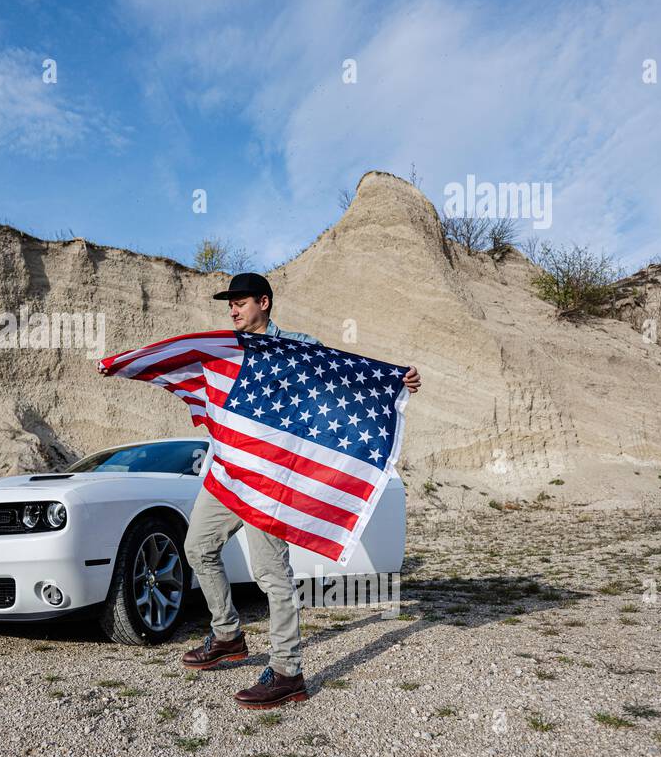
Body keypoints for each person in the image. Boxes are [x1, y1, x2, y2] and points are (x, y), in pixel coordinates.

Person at [101, 271, 421, 708]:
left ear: (264, 303)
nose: (232, 309)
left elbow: (340, 382)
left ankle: (288, 671)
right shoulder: (225, 350)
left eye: (241, 302)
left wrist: (393, 383)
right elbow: (188, 368)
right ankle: (228, 634)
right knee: (197, 548)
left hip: (269, 480)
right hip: (227, 473)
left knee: (272, 574)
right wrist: (133, 365)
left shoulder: (296, 345)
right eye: (229, 303)